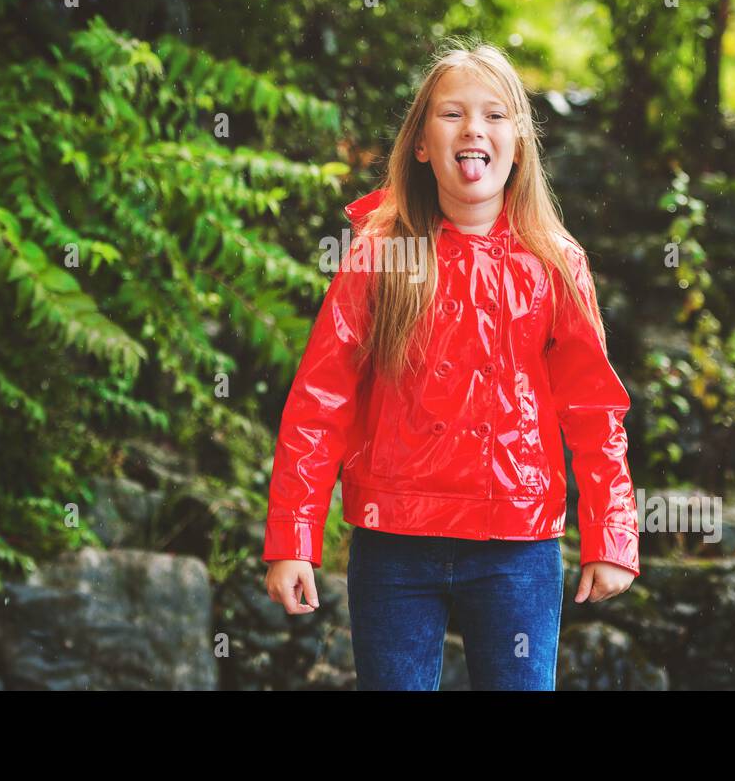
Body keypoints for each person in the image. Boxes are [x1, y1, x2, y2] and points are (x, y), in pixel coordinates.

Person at [262, 39, 639, 690]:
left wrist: (611, 533)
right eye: (452, 114)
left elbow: (592, 407)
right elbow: (321, 398)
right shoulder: (381, 253)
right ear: (420, 143)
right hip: (394, 542)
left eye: (495, 115)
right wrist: (294, 535)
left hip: (517, 545)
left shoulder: (555, 261)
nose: (474, 129)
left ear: (518, 143)